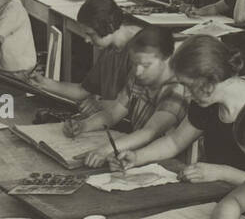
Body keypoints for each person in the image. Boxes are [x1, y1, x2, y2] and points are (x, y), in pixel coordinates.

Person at [105, 35, 245, 183]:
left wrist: (223, 173)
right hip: (217, 194)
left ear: (211, 80)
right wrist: (137, 157)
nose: (187, 94)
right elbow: (174, 142)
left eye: (190, 86)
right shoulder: (207, 103)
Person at [65, 27, 191, 165]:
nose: (137, 71)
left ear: (166, 58)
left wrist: (104, 151)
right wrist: (84, 125)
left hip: (164, 163)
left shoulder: (177, 89)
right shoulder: (141, 75)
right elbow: (113, 114)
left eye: (145, 65)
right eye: (135, 63)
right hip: (131, 156)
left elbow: (150, 132)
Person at [29, 0, 142, 113]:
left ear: (108, 27)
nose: (87, 40)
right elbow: (82, 90)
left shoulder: (140, 50)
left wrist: (100, 103)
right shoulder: (110, 48)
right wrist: (43, 82)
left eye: (90, 34)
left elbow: (131, 105)